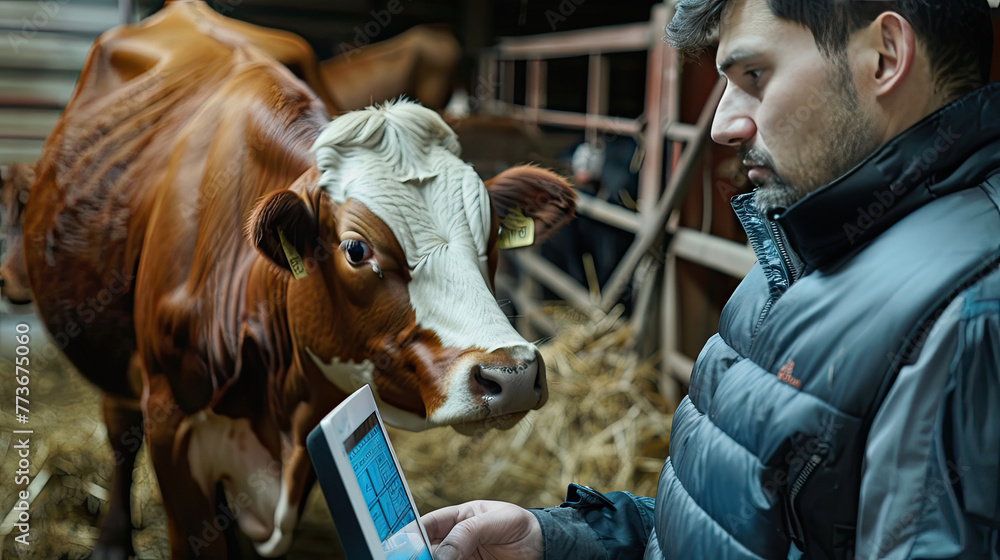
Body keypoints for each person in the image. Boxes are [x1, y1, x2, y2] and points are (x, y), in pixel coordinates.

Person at [421, 0, 1000, 558]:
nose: (723, 123)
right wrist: (562, 542)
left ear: (885, 57)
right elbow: (740, 533)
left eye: (754, 73)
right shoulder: (794, 251)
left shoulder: (969, 316)